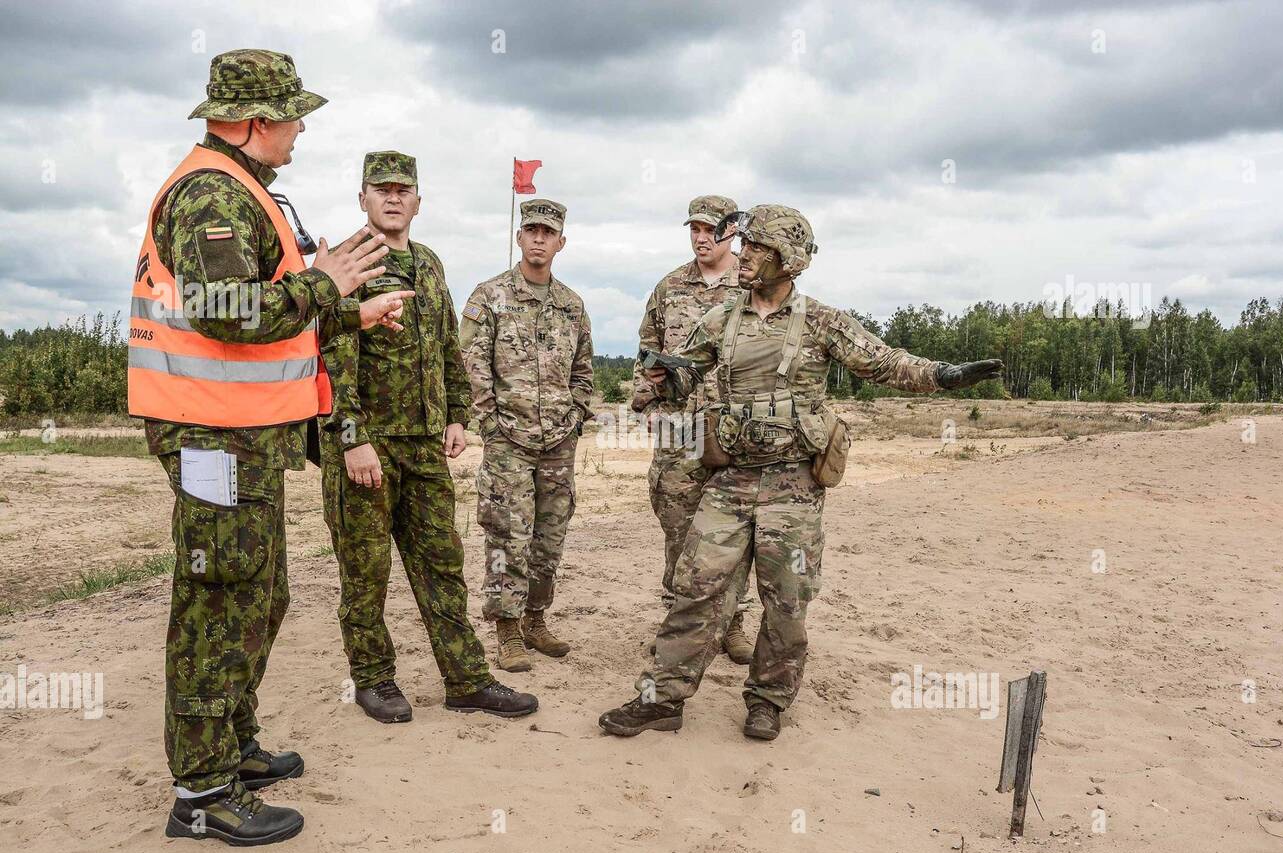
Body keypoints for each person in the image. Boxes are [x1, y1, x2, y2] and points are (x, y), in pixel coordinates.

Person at [598, 205, 1003, 741]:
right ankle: (663, 698)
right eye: (744, 247)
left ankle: (767, 700)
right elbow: (678, 378)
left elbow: (885, 363)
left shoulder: (822, 321)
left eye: (756, 249)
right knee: (696, 587)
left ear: (787, 259)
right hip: (729, 480)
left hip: (794, 487)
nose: (743, 257)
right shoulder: (721, 320)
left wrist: (946, 376)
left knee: (786, 599)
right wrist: (657, 384)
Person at [130, 48, 401, 846]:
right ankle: (203, 792)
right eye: (292, 115)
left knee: (260, 592)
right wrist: (330, 284)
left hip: (242, 438)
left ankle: (234, 748)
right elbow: (224, 311)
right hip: (210, 435)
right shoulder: (212, 192)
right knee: (220, 604)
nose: (301, 128)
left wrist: (350, 313)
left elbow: (262, 315)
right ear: (253, 121)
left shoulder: (245, 189)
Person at [319, 151, 538, 724]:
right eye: (380, 188)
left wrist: (457, 413)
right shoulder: (345, 263)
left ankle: (466, 679)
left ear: (418, 200)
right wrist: (350, 439)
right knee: (365, 572)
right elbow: (329, 361)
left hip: (422, 446)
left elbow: (446, 347)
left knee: (441, 561)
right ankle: (373, 679)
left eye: (403, 189)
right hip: (369, 445)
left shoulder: (430, 263)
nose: (393, 197)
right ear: (361, 198)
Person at [460, 199, 594, 672]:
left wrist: (576, 415)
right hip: (508, 442)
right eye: (531, 230)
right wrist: (491, 424)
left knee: (549, 537)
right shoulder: (489, 296)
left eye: (548, 232)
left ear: (561, 242)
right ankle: (507, 629)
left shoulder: (571, 305)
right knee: (506, 537)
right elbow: (470, 365)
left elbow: (583, 371)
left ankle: (536, 619)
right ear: (519, 237)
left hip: (559, 442)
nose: (539, 238)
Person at [631, 195, 756, 664]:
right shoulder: (669, 287)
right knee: (679, 530)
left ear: (732, 232)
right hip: (678, 430)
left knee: (735, 531)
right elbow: (645, 352)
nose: (701, 238)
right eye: (694, 230)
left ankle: (734, 623)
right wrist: (646, 405)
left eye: (711, 230)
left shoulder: (750, 284)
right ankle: (677, 623)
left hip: (734, 431)